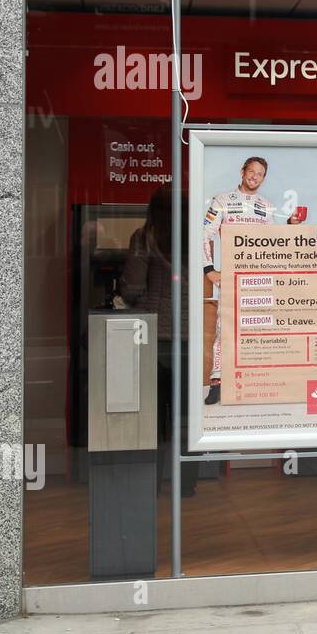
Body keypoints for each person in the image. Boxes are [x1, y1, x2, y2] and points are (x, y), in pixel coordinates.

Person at [121, 185, 198, 497]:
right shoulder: (198, 238)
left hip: (152, 339)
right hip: (190, 339)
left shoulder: (144, 238)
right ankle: (186, 485)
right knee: (185, 418)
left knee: (152, 418)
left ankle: (150, 483)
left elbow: (132, 289)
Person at [201, 156, 298, 405]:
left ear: (264, 179)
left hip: (259, 278)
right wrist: (210, 270)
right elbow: (203, 235)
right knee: (224, 331)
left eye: (260, 174)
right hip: (232, 278)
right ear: (242, 171)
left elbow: (274, 240)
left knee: (258, 330)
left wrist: (290, 225)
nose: (255, 176)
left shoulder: (266, 206)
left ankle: (256, 381)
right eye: (252, 171)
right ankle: (217, 383)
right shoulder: (221, 201)